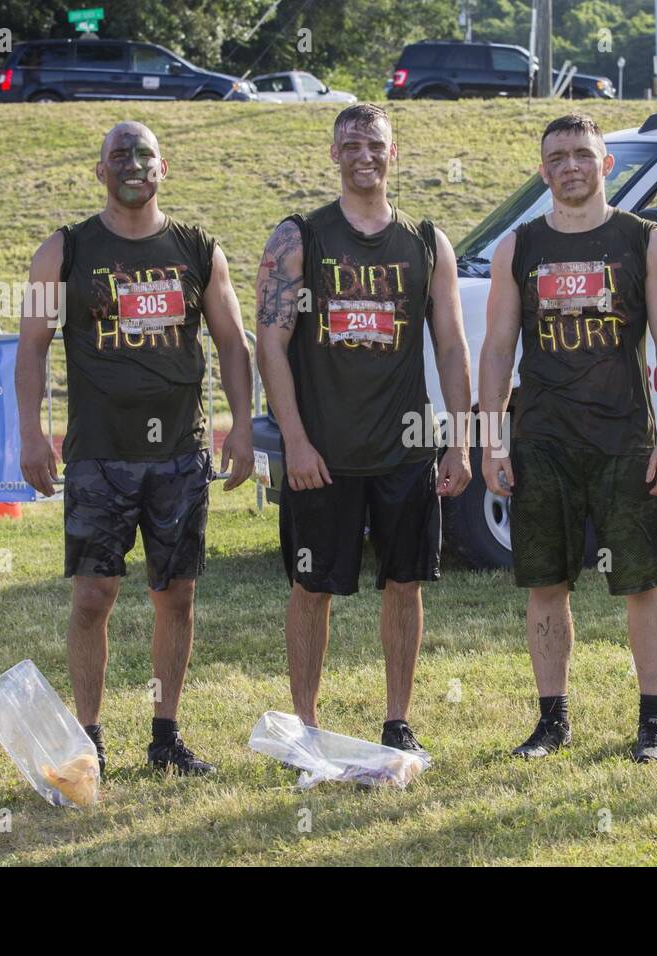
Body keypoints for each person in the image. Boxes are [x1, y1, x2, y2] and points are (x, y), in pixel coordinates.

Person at [16, 121, 254, 776]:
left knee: (175, 595)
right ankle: (87, 737)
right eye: (118, 154)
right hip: (98, 454)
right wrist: (31, 432)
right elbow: (32, 344)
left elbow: (233, 343)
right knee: (93, 596)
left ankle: (165, 736)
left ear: (162, 167)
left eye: (143, 153)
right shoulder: (62, 252)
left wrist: (245, 426)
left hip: (180, 453)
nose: (132, 163)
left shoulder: (199, 249)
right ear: (100, 171)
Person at [254, 104, 472, 756]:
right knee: (311, 586)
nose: (363, 154)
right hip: (322, 451)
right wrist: (293, 439)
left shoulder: (427, 242)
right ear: (334, 154)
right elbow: (270, 343)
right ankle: (307, 726)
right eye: (350, 143)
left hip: (405, 446)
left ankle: (397, 720)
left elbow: (454, 347)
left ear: (393, 152)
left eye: (373, 143)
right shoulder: (299, 238)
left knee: (404, 584)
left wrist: (460, 440)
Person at [478, 114, 657, 763]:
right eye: (558, 157)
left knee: (642, 582)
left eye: (583, 154)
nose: (571, 165)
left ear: (606, 166)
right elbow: (496, 349)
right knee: (547, 585)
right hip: (541, 438)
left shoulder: (645, 242)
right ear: (543, 171)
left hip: (625, 437)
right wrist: (490, 440)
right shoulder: (519, 247)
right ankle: (552, 721)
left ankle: (653, 723)